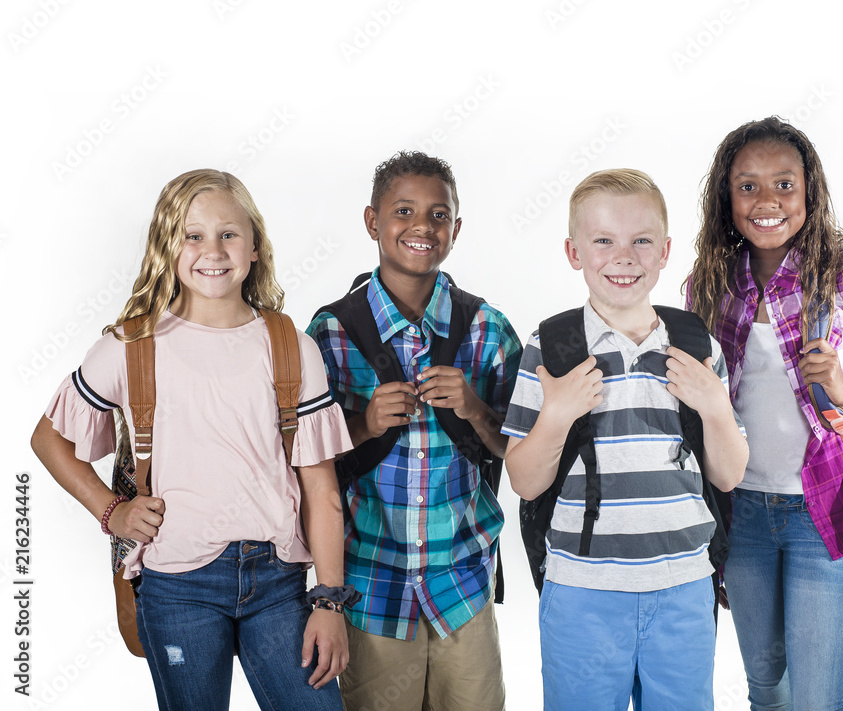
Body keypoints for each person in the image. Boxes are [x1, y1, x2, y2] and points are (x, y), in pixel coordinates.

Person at [30, 169, 354, 711]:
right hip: (177, 585)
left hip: (278, 582)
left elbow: (322, 492)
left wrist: (329, 602)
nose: (213, 250)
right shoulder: (132, 345)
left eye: (229, 233)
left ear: (254, 246)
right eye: (193, 234)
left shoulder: (291, 346)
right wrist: (111, 511)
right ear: (167, 245)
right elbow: (48, 439)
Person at [686, 116, 843, 710]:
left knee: (818, 699)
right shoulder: (710, 283)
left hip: (824, 508)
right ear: (727, 200)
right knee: (766, 690)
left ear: (810, 194)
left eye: (784, 184)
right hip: (741, 509)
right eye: (747, 186)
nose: (767, 201)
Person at [502, 168, 747, 711]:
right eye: (603, 241)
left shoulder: (695, 342)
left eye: (641, 241)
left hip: (684, 586)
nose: (624, 256)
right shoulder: (552, 346)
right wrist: (558, 413)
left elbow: (729, 474)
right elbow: (524, 480)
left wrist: (715, 406)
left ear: (664, 251)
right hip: (581, 592)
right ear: (573, 252)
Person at [307, 150, 521, 711]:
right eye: (403, 211)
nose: (422, 226)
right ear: (372, 221)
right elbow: (302, 456)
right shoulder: (331, 334)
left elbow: (520, 452)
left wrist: (475, 407)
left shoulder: (487, 328)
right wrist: (364, 422)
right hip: (371, 583)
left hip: (463, 582)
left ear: (456, 227)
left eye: (439, 214)